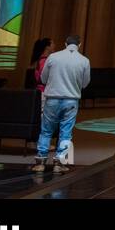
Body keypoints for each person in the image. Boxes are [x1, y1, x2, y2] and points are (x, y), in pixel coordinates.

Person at [34, 35, 90, 174]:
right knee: (66, 133)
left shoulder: (53, 57)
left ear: (65, 44)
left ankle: (40, 162)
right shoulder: (84, 60)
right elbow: (85, 83)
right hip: (71, 100)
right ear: (80, 44)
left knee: (46, 130)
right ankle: (59, 163)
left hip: (52, 99)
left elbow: (43, 78)